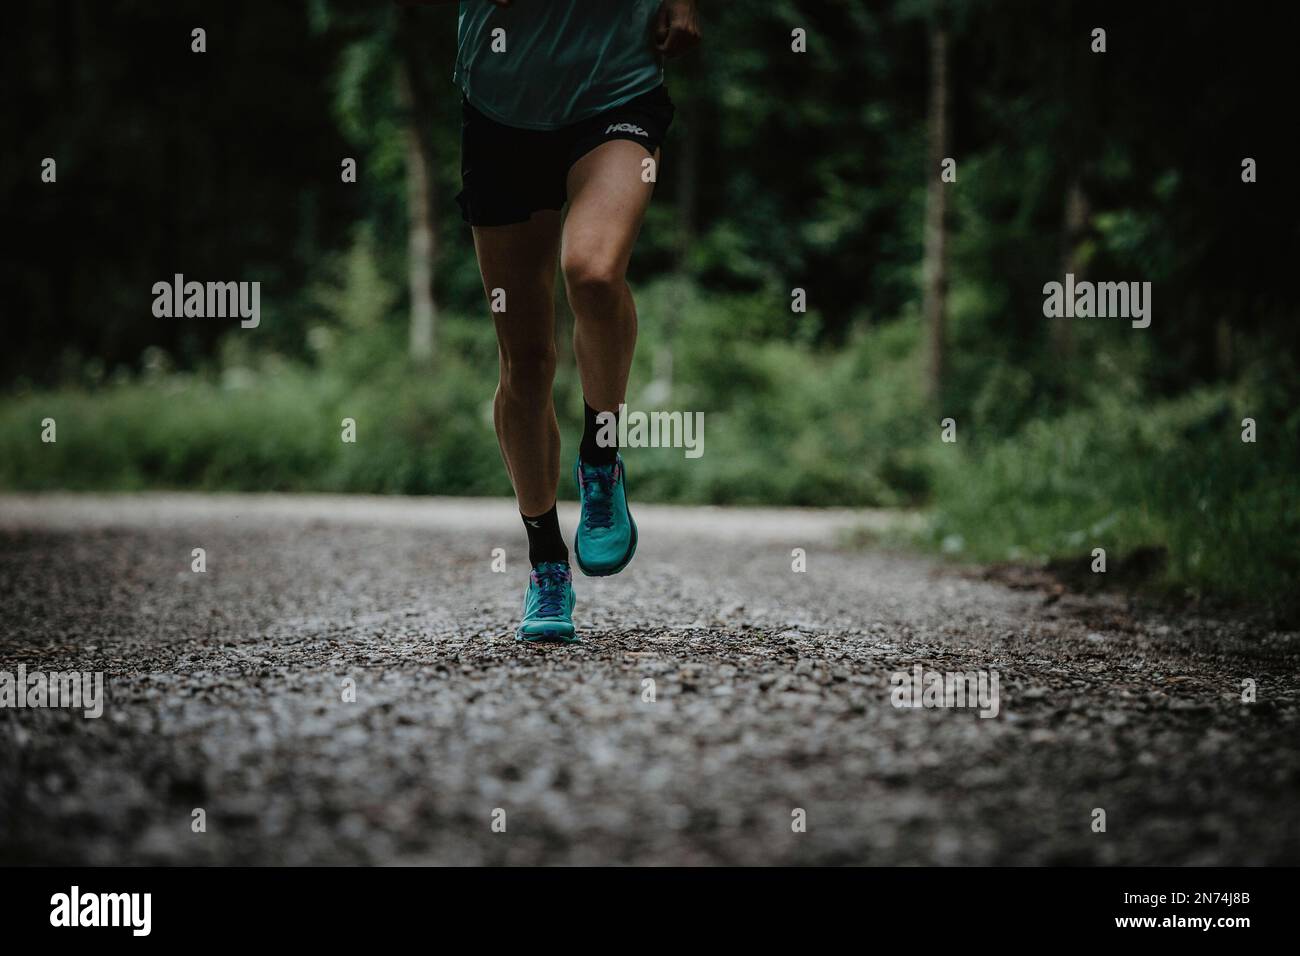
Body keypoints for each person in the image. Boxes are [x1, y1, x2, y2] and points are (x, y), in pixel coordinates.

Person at [406, 0, 700, 641]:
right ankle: (545, 561)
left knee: (593, 272)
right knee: (527, 359)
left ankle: (601, 457)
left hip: (617, 89)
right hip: (501, 109)